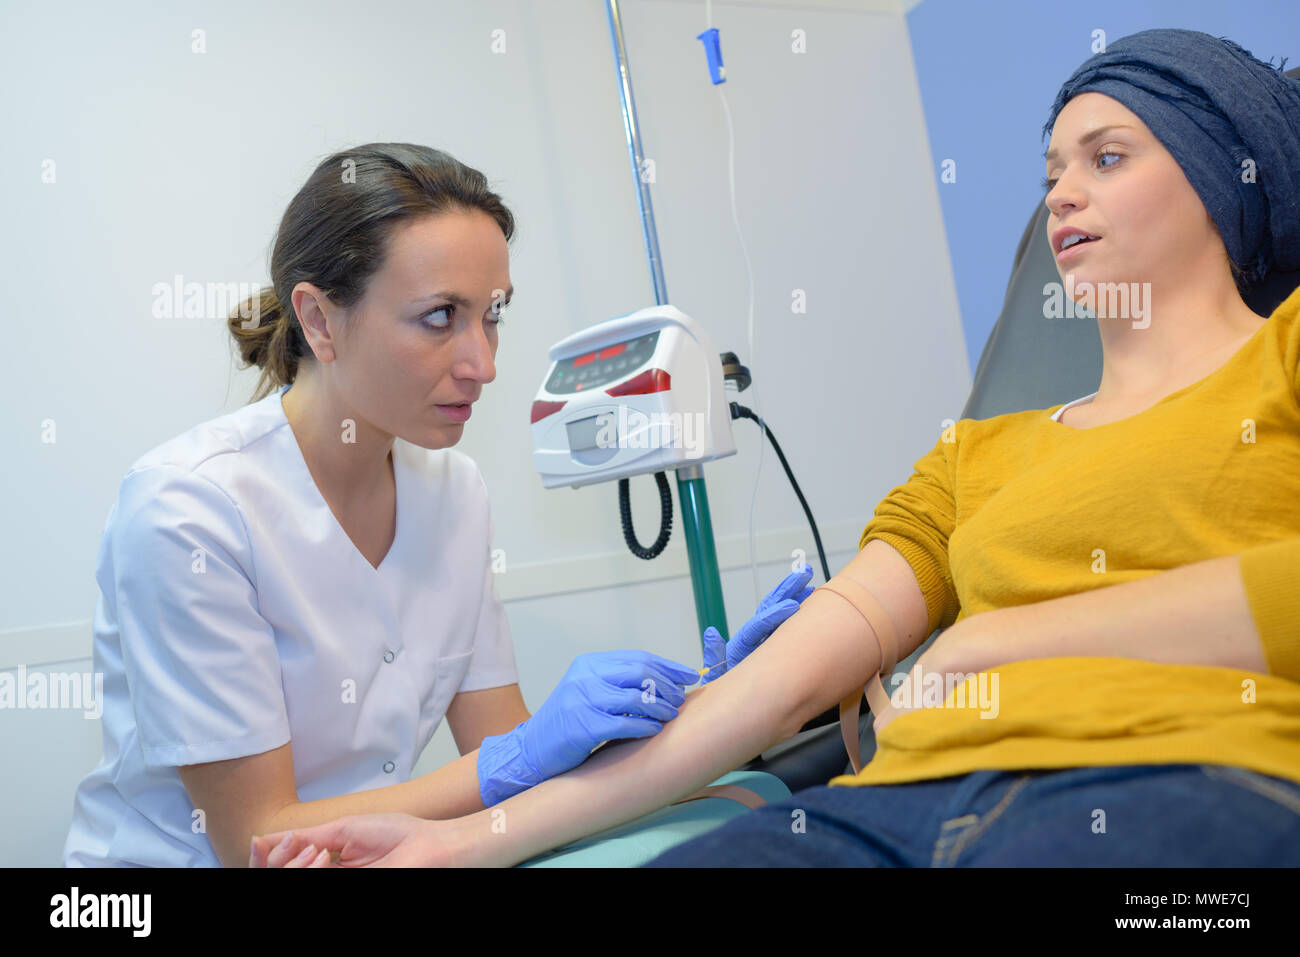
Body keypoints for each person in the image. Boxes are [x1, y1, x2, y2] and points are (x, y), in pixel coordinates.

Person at [250, 28, 1300, 868]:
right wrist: (458, 845)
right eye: (1052, 168)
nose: (1060, 192)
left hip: (1180, 784)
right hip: (885, 812)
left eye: (1107, 158)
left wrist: (998, 641)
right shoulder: (975, 457)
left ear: (1226, 174)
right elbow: (772, 696)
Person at [61, 143, 813, 867]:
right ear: (320, 320)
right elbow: (258, 840)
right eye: (439, 317)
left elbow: (530, 783)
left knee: (743, 810)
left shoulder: (454, 493)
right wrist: (518, 754)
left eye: (493, 314)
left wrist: (708, 709)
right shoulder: (190, 509)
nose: (483, 363)